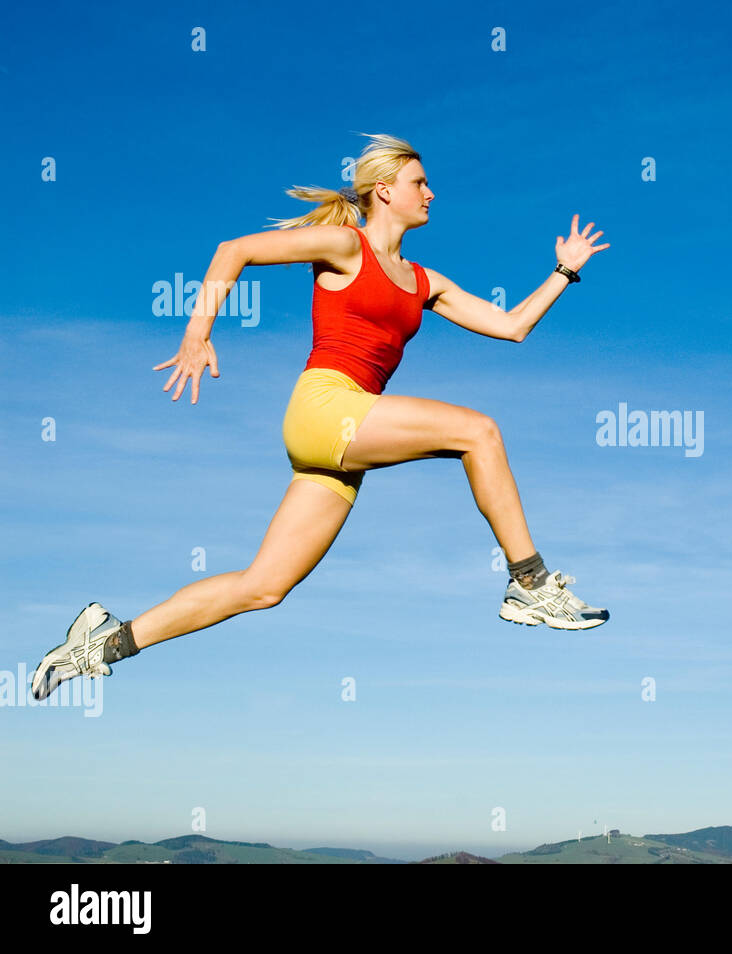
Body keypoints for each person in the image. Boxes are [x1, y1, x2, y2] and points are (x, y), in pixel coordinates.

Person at [31, 132, 612, 702]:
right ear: (384, 191)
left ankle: (98, 647)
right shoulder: (345, 245)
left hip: (340, 447)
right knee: (478, 431)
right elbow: (234, 251)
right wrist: (195, 333)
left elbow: (511, 327)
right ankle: (530, 583)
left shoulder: (425, 282)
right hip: (328, 406)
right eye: (420, 183)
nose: (431, 193)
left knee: (261, 588)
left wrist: (564, 271)